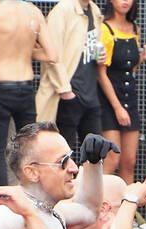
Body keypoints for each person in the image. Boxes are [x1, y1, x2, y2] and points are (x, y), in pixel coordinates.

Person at [0, 0, 56, 188]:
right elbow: (52, 55)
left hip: (0, 87)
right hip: (25, 89)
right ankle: (30, 200)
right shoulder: (34, 12)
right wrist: (25, 51)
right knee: (29, 151)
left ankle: (1, 205)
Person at [36, 0, 105, 153]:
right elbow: (51, 55)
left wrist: (100, 57)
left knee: (96, 154)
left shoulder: (94, 10)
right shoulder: (62, 10)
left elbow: (89, 47)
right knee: (62, 154)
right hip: (67, 94)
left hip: (90, 93)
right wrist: (65, 92)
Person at [97, 0, 141, 183]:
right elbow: (101, 73)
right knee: (111, 159)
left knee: (129, 161)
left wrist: (142, 57)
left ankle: (126, 208)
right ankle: (102, 206)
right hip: (109, 100)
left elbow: (130, 68)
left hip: (129, 98)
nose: (125, 1)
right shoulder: (104, 28)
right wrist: (117, 107)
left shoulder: (135, 28)